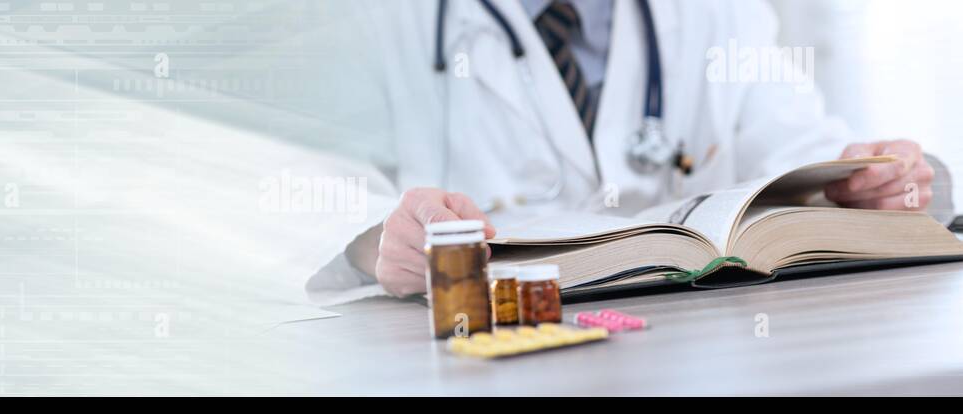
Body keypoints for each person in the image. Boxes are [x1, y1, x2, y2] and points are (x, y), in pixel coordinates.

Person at [305, 0, 937, 302]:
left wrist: (862, 177)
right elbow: (303, 202)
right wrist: (375, 242)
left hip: (688, 347)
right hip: (476, 355)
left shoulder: (720, 13)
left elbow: (802, 147)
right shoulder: (370, 20)